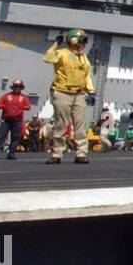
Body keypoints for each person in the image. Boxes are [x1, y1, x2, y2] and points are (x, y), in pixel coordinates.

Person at [43, 29, 95, 164]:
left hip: (79, 94)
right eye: (82, 41)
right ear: (73, 40)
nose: (83, 44)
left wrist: (91, 91)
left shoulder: (83, 57)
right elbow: (48, 58)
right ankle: (57, 154)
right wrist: (56, 43)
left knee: (81, 126)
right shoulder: (61, 53)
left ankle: (81, 154)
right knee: (60, 124)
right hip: (62, 92)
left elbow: (87, 76)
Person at [0, 79, 31, 161]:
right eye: (16, 86)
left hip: (17, 121)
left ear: (21, 88)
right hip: (6, 120)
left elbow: (28, 107)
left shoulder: (24, 98)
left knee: (15, 138)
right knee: (0, 137)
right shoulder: (6, 96)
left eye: (19, 86)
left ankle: (11, 154)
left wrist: (20, 107)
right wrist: (6, 106)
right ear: (13, 87)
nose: (17, 88)